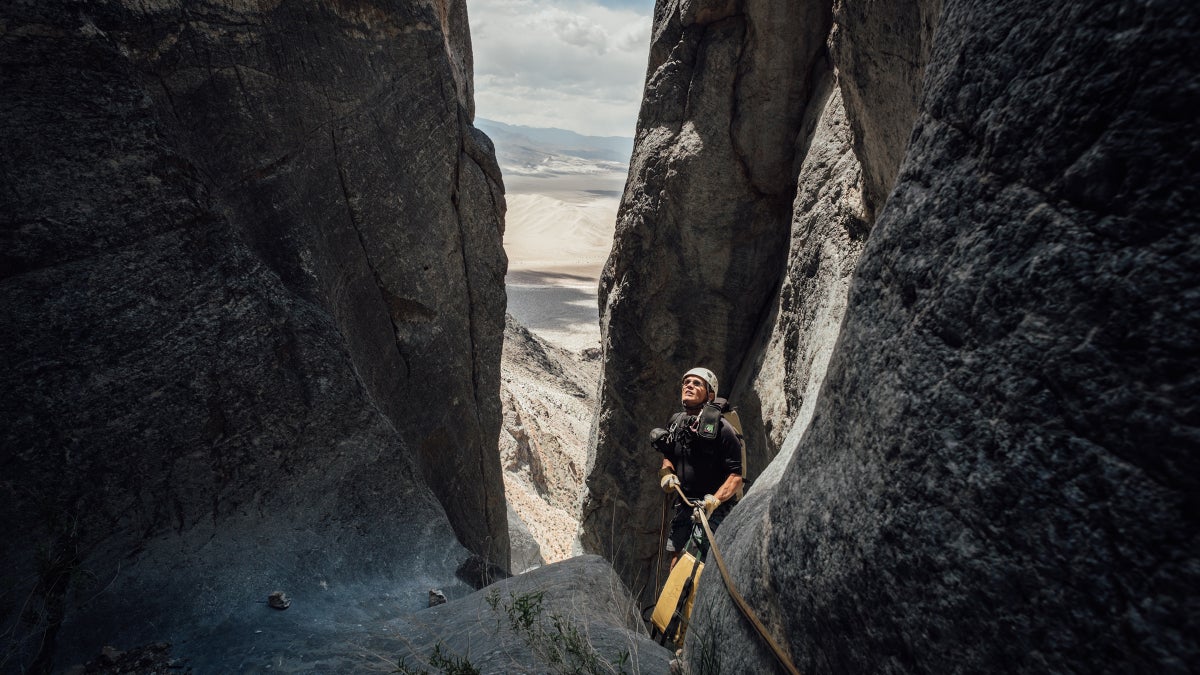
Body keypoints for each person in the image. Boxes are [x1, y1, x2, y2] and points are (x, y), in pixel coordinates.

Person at [653, 367, 743, 569]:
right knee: (676, 560)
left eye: (697, 383)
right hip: (685, 506)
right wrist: (667, 473)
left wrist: (713, 502)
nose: (689, 386)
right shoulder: (676, 423)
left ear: (710, 395)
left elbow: (736, 476)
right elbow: (669, 455)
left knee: (697, 563)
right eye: (686, 382)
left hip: (714, 509)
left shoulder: (723, 428)